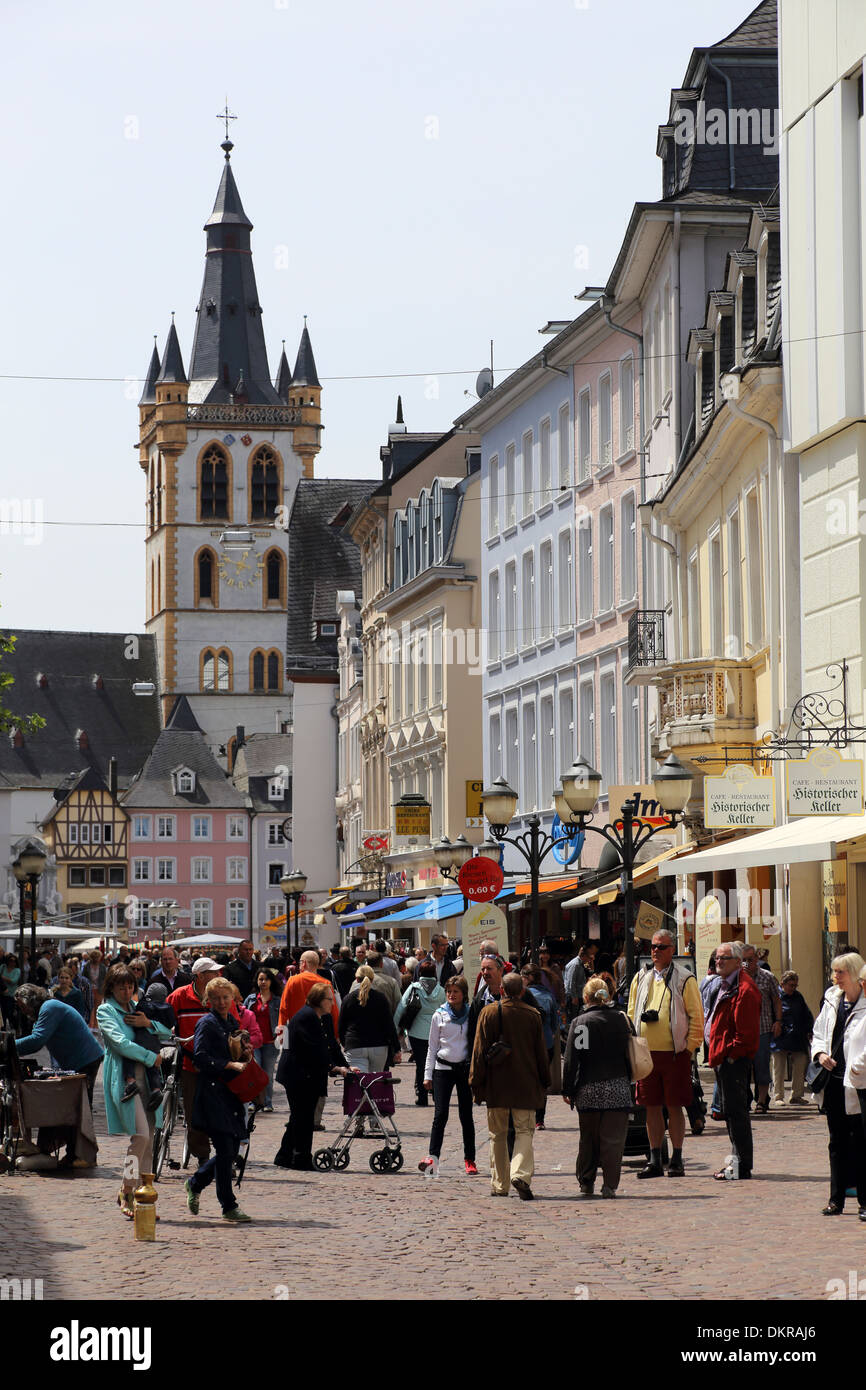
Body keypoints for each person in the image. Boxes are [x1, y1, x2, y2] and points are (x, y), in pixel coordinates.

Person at [627, 928, 704, 1178]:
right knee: (650, 1107)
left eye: (661, 947)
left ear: (673, 949)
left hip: (674, 1054)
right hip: (646, 1054)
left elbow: (696, 1016)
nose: (655, 951)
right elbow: (630, 1014)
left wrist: (689, 1048)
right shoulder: (641, 977)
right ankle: (655, 1158)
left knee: (674, 1106)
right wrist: (632, 1043)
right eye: (653, 946)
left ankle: (678, 1157)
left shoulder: (684, 978)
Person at [96, 965, 173, 1215]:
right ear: (111, 987)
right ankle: (127, 1189)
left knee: (149, 1141)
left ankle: (144, 1196)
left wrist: (147, 1022)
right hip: (125, 1078)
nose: (127, 991)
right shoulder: (106, 1010)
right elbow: (120, 1043)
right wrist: (151, 1057)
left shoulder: (136, 1006)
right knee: (140, 1136)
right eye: (121, 986)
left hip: (149, 1080)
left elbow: (166, 1031)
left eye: (130, 986)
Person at [469, 971, 550, 1200]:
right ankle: (520, 1174)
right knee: (524, 1131)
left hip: (497, 1085)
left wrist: (475, 1082)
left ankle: (500, 1184)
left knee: (498, 1135)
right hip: (525, 1083)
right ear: (522, 991)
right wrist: (546, 1081)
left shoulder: (488, 1012)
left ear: (502, 990)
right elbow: (540, 1053)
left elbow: (478, 1052)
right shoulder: (532, 1015)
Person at [183, 978, 254, 1223]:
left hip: (231, 1093)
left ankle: (196, 1182)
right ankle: (229, 1206)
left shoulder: (232, 1022)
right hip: (213, 1094)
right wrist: (227, 1063)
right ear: (209, 1001)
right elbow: (199, 1057)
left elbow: (236, 1049)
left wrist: (244, 1053)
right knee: (225, 1149)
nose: (223, 1002)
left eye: (226, 997)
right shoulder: (207, 1023)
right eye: (217, 998)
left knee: (232, 1150)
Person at [562, 976, 634, 1197]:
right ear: (608, 995)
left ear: (586, 997)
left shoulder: (580, 1023)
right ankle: (610, 1185)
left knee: (589, 1139)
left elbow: (572, 1060)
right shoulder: (623, 1020)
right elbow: (632, 1052)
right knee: (613, 1141)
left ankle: (586, 1180)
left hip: (588, 1087)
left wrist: (568, 1090)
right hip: (618, 1086)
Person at [273, 982, 353, 1170]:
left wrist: (345, 1066)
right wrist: (335, 1068)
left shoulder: (321, 1018)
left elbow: (331, 1045)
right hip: (297, 1074)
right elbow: (314, 1050)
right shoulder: (306, 1017)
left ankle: (284, 1155)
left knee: (299, 1116)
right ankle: (301, 1158)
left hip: (307, 1074)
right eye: (329, 999)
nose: (332, 1003)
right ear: (318, 1000)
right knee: (304, 1117)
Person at [810, 951, 866, 1215]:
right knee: (837, 1140)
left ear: (854, 974)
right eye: (834, 972)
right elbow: (819, 1032)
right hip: (833, 1081)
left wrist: (858, 1064)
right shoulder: (832, 999)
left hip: (859, 1082)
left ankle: (865, 1202)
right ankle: (836, 1199)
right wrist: (820, 1054)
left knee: (861, 1140)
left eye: (840, 972)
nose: (835, 978)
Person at [168, 958, 236, 1165]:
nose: (217, 975)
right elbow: (164, 1020)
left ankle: (225, 1155)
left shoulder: (220, 997)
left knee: (222, 1111)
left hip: (218, 1065)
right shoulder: (179, 996)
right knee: (193, 1113)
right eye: (211, 973)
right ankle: (203, 1155)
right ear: (199, 976)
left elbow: (235, 1025)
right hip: (191, 1064)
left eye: (217, 972)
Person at [706, 941, 761, 1180]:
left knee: (737, 1114)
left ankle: (740, 1167)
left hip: (733, 1061)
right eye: (717, 958)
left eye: (724, 958)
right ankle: (734, 1165)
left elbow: (745, 1034)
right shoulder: (725, 984)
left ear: (738, 962)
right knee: (729, 1113)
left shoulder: (744, 989)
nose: (719, 962)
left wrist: (729, 1056)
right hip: (723, 1058)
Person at [14, 984, 104, 1120]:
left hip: (86, 1058)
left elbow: (37, 1040)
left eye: (22, 1006)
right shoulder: (45, 1009)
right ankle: (75, 1137)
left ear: (30, 1000)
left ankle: (81, 1138)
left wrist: (8, 1045)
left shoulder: (49, 1007)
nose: (22, 1011)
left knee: (81, 1105)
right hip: (80, 1059)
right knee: (77, 1105)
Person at [418, 975, 477, 1175]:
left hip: (464, 1070)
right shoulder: (439, 1015)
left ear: (463, 993)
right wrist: (427, 1075)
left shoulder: (471, 1014)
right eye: (449, 991)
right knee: (440, 1114)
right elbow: (432, 1047)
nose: (452, 995)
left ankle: (470, 1159)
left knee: (466, 1116)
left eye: (456, 992)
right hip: (442, 1070)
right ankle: (432, 1158)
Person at [394, 962, 446, 1106]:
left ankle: (422, 1096)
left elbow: (401, 1008)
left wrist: (395, 1029)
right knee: (435, 1063)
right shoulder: (441, 991)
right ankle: (437, 1095)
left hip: (416, 1032)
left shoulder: (414, 988)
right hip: (436, 1031)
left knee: (421, 1064)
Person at [741, 943, 782, 1113]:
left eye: (750, 960)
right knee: (743, 1068)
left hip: (762, 1028)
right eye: (743, 960)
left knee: (762, 1066)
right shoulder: (737, 977)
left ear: (756, 959)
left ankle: (762, 1100)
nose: (747, 964)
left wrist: (778, 1021)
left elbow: (777, 1000)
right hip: (742, 1030)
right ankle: (745, 1099)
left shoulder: (767, 977)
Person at [338, 965, 402, 1073]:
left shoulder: (348, 999)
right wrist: (396, 1047)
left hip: (355, 1044)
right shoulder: (381, 998)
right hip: (379, 1045)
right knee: (375, 1083)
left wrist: (345, 1043)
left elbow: (341, 1025)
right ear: (372, 979)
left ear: (357, 979)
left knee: (359, 1083)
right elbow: (389, 1025)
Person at [520, 964, 558, 1129]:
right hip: (546, 1043)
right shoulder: (549, 995)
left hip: (527, 1044)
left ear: (527, 978)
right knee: (542, 1081)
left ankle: (527, 1114)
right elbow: (555, 1022)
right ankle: (539, 1118)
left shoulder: (523, 995)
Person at [771, 971, 814, 1106]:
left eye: (795, 985)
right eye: (791, 985)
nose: (793, 988)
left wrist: (809, 1029)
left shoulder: (798, 997)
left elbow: (806, 1014)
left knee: (800, 1064)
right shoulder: (776, 996)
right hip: (780, 1037)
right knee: (779, 1066)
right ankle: (778, 1096)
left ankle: (796, 1095)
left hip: (797, 1036)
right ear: (783, 984)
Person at [244, 968, 281, 1110]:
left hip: (271, 1043)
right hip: (253, 1043)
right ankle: (253, 1101)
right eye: (261, 979)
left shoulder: (277, 1000)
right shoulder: (251, 999)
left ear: (271, 981)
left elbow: (283, 1020)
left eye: (266, 979)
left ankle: (267, 1102)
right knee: (254, 1070)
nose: (263, 982)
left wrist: (283, 1039)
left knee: (267, 1073)